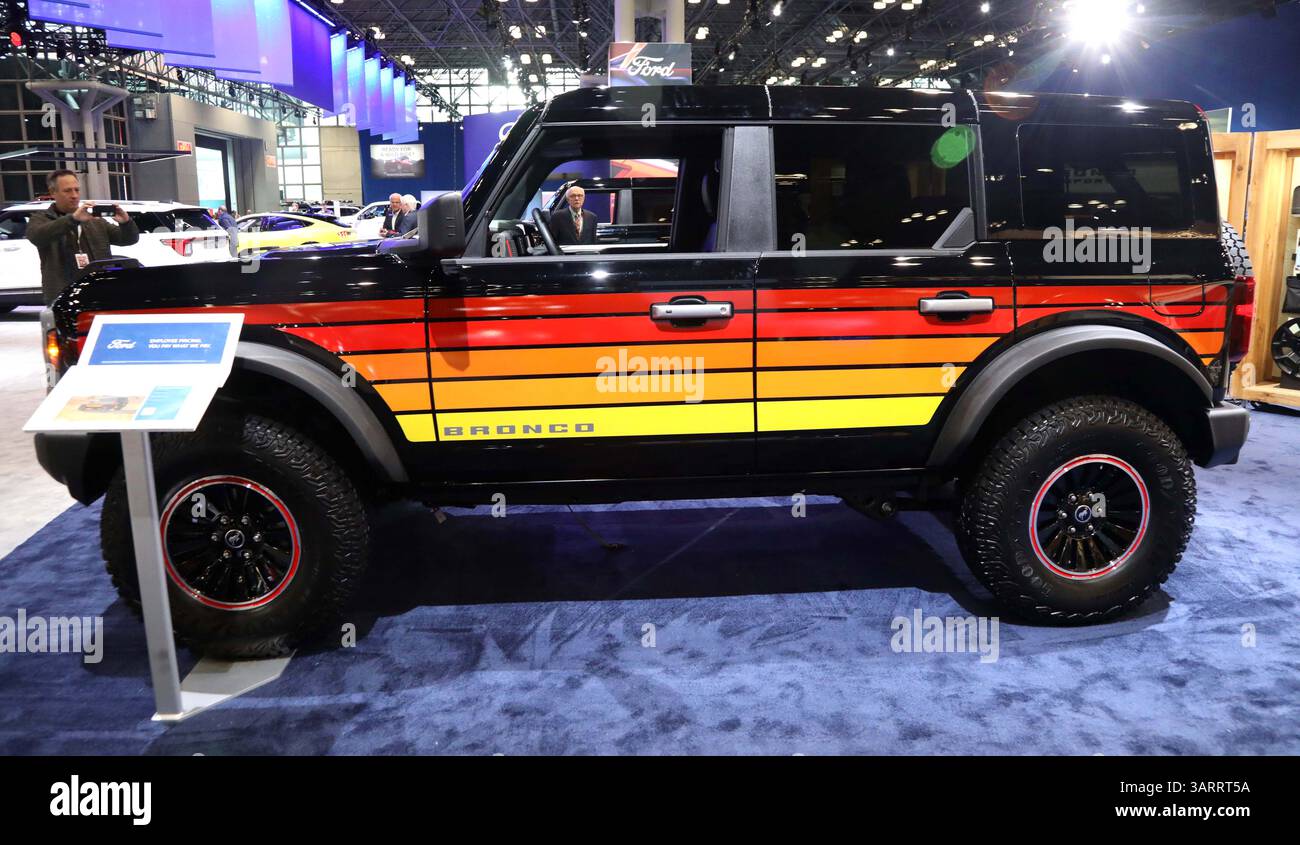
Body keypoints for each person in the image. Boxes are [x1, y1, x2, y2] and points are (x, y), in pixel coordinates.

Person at [26, 169, 139, 304]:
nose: (74, 195)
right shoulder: (41, 218)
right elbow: (38, 236)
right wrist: (73, 219)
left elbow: (128, 239)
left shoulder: (94, 220)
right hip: (62, 294)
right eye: (67, 191)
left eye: (77, 190)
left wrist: (126, 223)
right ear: (52, 192)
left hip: (99, 290)